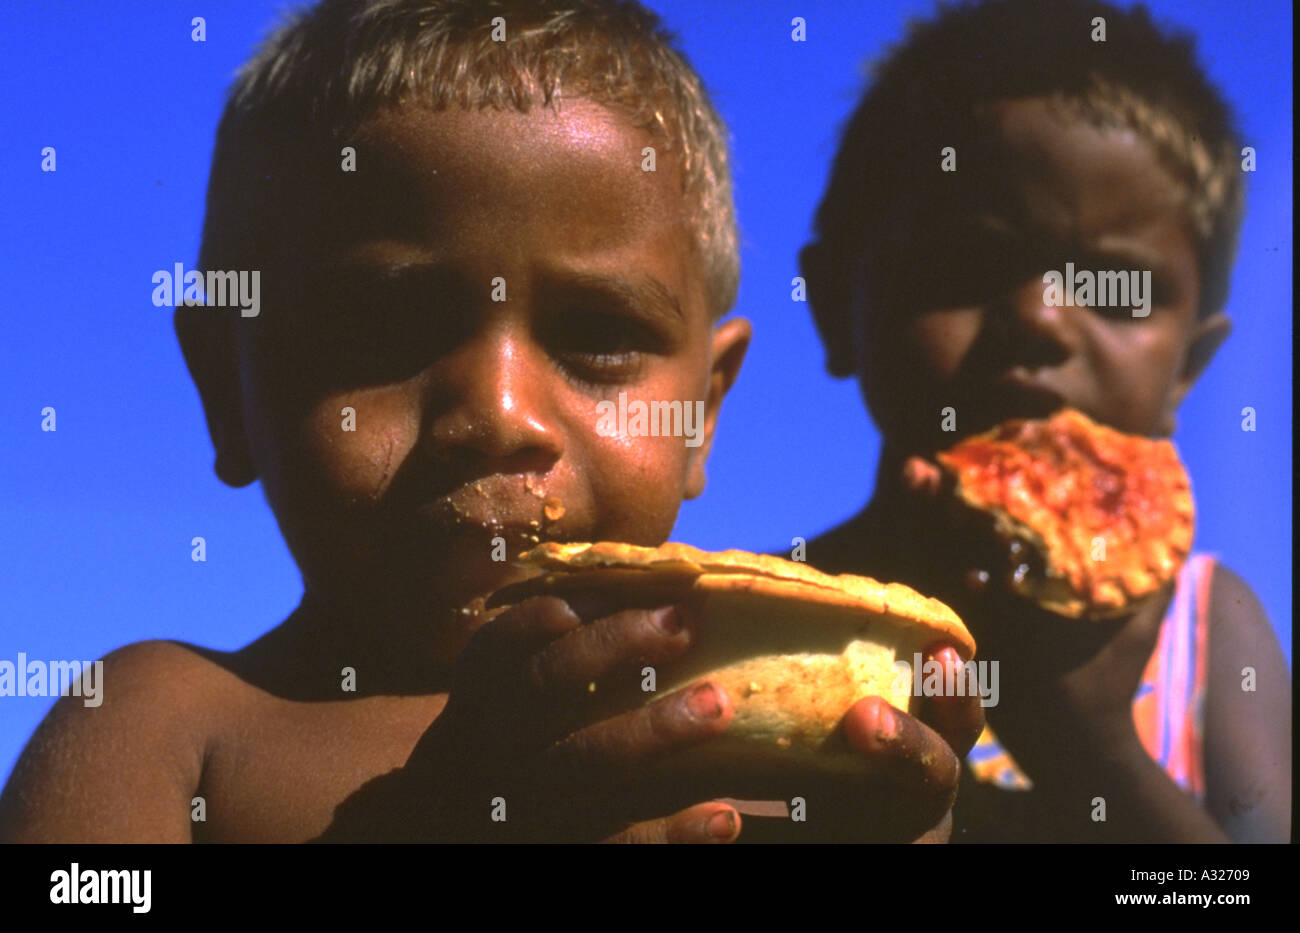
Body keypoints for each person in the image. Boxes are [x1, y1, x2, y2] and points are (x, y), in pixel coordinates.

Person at [0, 0, 979, 844]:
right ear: (226, 387)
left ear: (704, 415)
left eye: (597, 335)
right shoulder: (162, 724)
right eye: (384, 325)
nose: (496, 416)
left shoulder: (776, 754)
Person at [800, 0, 1289, 842]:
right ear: (839, 310)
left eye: (1111, 286)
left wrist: (1091, 749)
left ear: (1189, 372)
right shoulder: (770, 615)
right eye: (968, 262)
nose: (1041, 318)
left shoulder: (1205, 629)